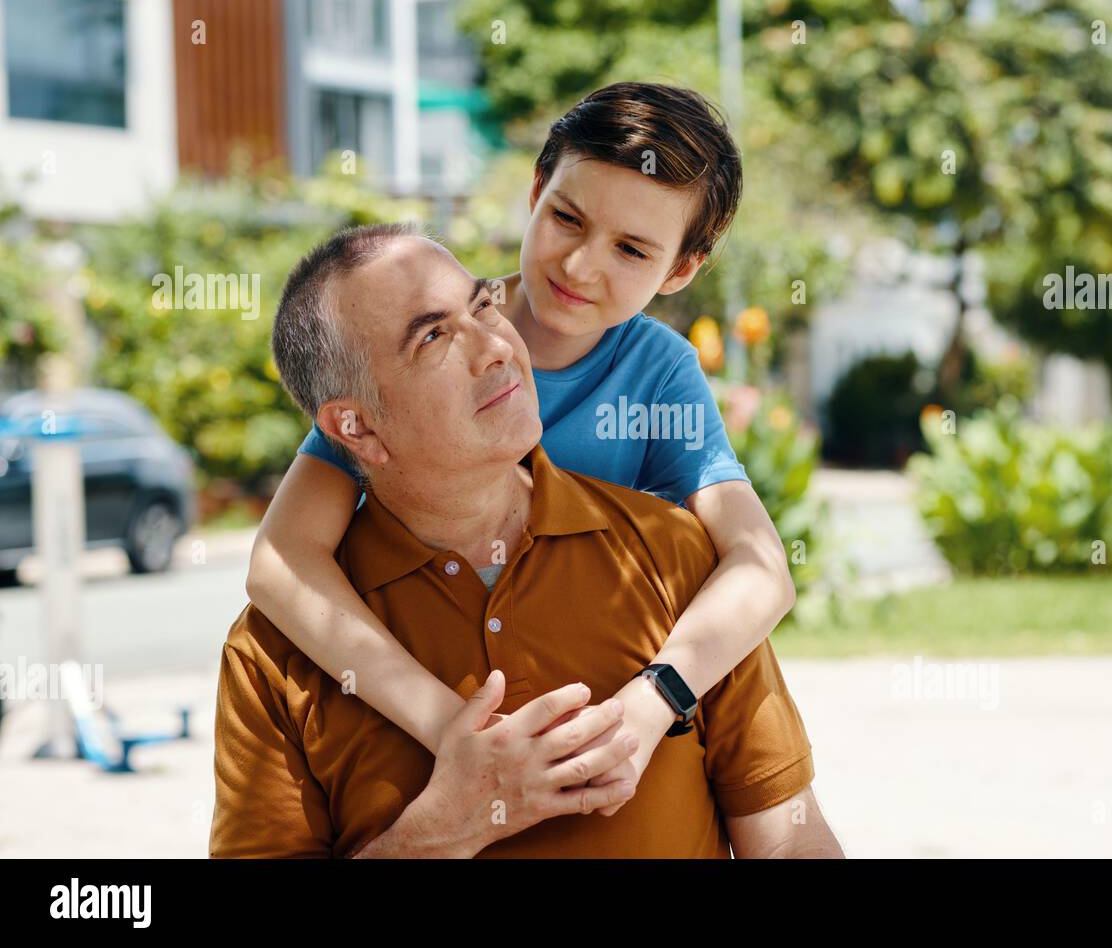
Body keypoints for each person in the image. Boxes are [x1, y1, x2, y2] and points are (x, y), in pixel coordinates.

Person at [245, 83, 796, 812]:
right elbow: (281, 564)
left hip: (596, 704)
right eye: (567, 218)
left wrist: (650, 702)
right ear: (536, 190)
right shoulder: (425, 351)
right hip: (444, 706)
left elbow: (761, 570)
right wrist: (448, 726)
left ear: (680, 272)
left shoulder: (658, 375)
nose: (579, 267)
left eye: (631, 249)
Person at [209, 226, 841, 857]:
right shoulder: (273, 652)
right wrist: (441, 830)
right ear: (355, 426)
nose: (496, 347)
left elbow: (791, 843)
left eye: (484, 304)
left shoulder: (679, 560)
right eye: (433, 336)